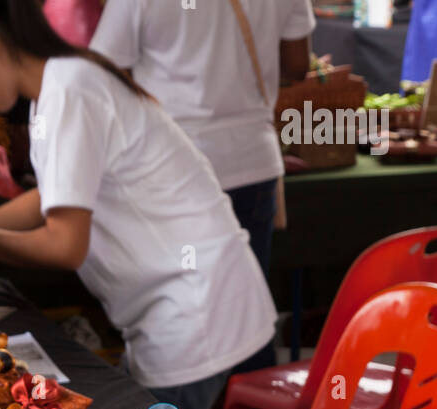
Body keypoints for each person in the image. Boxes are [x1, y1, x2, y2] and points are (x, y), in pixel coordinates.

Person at [0, 0, 276, 409]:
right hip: (182, 308)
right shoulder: (58, 84)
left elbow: (65, 243)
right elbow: (56, 195)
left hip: (195, 312)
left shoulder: (69, 87)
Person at [91, 0, 315, 283]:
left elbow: (104, 70)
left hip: (171, 164)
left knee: (178, 300)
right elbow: (297, 66)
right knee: (244, 299)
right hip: (253, 162)